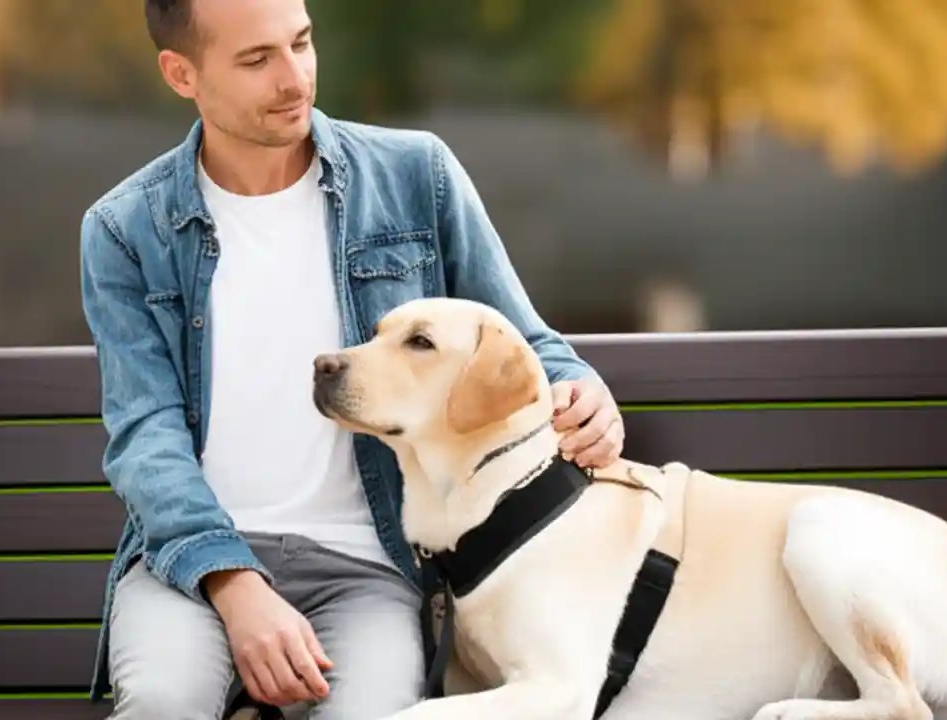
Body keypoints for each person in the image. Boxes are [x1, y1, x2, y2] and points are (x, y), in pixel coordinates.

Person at [78, 0, 624, 716]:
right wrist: (236, 588)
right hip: (192, 568)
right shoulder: (125, 230)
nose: (294, 77)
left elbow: (528, 343)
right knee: (161, 705)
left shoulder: (414, 176)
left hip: (369, 569)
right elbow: (146, 440)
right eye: (256, 59)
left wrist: (580, 388)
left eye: (301, 43)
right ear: (182, 74)